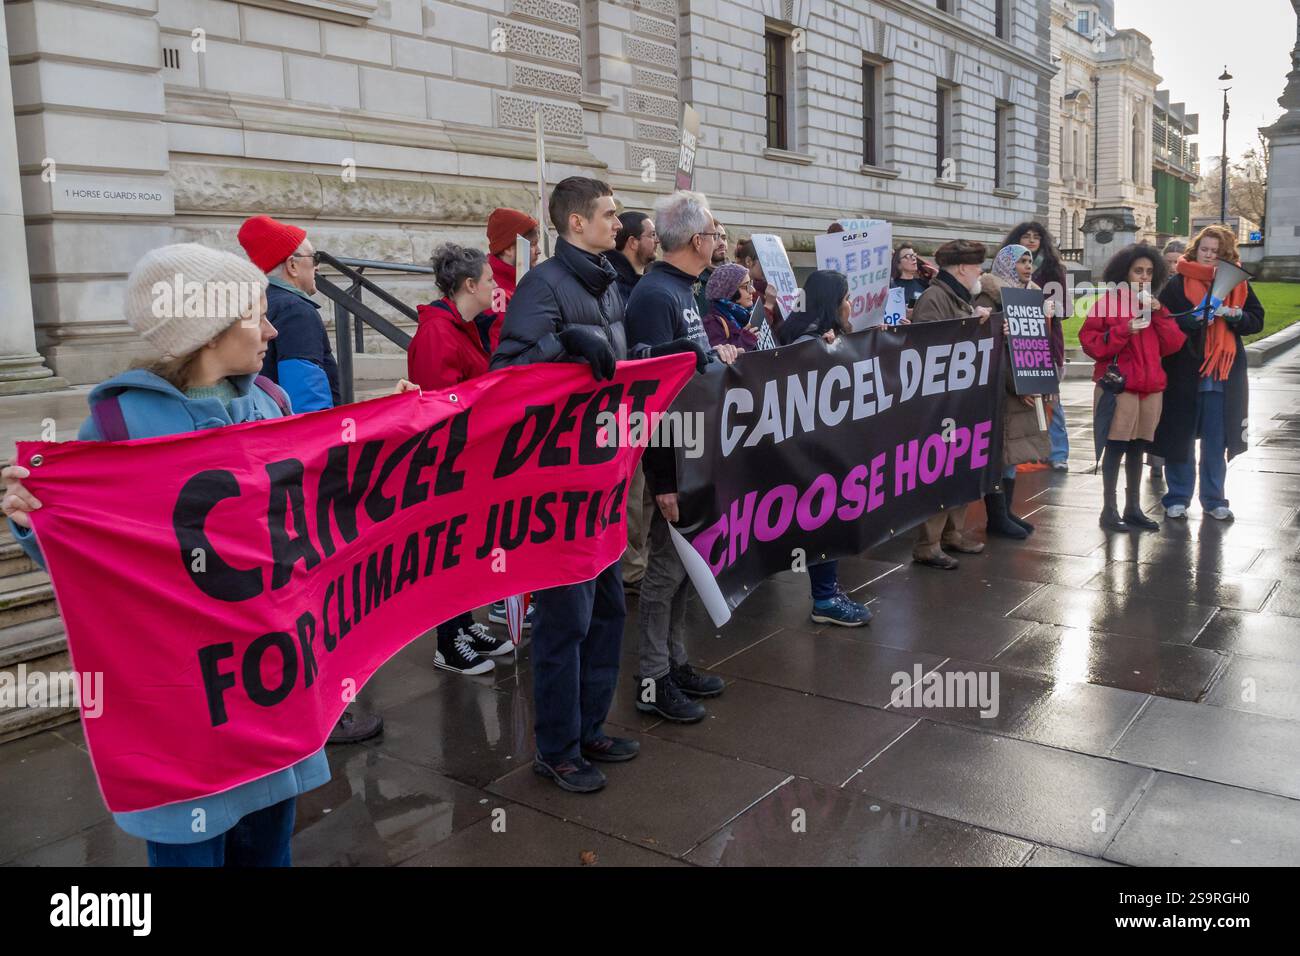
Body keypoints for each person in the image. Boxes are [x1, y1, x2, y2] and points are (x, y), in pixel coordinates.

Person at [2, 244, 330, 866]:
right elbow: (90, 561)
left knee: (269, 848)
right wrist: (37, 522)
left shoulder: (271, 401)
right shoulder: (118, 424)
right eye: (253, 315)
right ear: (208, 328)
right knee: (191, 850)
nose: (271, 328)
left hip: (269, 679)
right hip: (184, 699)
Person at [490, 176, 638, 793]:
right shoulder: (542, 286)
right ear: (576, 223)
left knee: (607, 611)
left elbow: (617, 366)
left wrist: (668, 352)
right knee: (565, 620)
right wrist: (560, 342)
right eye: (607, 214)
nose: (617, 222)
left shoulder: (606, 285)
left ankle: (588, 728)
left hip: (602, 476)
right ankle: (556, 747)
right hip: (556, 485)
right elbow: (505, 375)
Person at [237, 214, 384, 745]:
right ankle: (325, 708)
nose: (316, 266)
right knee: (313, 588)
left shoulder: (264, 307)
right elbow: (309, 399)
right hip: (301, 471)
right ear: (289, 264)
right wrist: (331, 467)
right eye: (312, 257)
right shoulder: (296, 310)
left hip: (266, 467)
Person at [625, 190, 739, 722]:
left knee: (686, 567)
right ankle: (652, 679)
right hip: (673, 458)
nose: (720, 239)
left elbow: (688, 369)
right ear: (698, 240)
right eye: (716, 232)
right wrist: (665, 480)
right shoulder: (655, 296)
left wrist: (716, 358)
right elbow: (652, 396)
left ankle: (675, 661)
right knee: (663, 573)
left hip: (693, 453)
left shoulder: (681, 290)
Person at [407, 243, 515, 672]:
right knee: (448, 554)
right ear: (470, 285)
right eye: (489, 280)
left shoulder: (465, 326)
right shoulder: (438, 333)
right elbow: (439, 411)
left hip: (473, 461)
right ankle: (447, 643)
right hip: (449, 467)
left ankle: (464, 624)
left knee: (466, 551)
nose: (495, 286)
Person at [774, 270, 875, 626]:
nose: (850, 305)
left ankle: (828, 591)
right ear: (832, 303)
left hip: (810, 447)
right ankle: (825, 599)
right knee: (824, 517)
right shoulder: (810, 340)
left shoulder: (807, 331)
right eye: (846, 298)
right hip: (814, 450)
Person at [1154, 225, 1265, 521]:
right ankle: (1177, 496)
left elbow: (1257, 320)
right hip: (1184, 375)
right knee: (1181, 438)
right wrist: (1190, 321)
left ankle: (1214, 499)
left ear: (1225, 254)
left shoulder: (1237, 284)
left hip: (1222, 377)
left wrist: (1237, 315)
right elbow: (1163, 324)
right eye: (1204, 249)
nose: (1208, 255)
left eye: (1216, 252)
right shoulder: (1177, 283)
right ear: (1195, 249)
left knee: (1217, 442)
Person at [1079, 244, 1185, 531]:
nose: (1143, 277)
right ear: (1125, 272)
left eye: (1149, 272)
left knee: (1138, 447)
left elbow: (1174, 344)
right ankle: (1109, 509)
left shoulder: (1155, 304)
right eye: (1138, 271)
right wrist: (1123, 330)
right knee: (1115, 447)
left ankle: (1133, 507)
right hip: (1120, 386)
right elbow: (1090, 342)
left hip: (1149, 387)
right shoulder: (1109, 303)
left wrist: (1160, 313)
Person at [910, 239, 992, 569]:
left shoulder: (955, 295)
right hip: (940, 405)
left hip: (960, 400)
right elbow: (928, 348)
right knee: (940, 473)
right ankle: (927, 543)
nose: (980, 273)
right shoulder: (936, 297)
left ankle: (952, 534)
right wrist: (972, 323)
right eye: (976, 267)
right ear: (960, 268)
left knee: (961, 468)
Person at [974, 244, 1056, 539]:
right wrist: (1018, 383)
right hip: (1002, 387)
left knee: (1012, 452)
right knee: (1000, 452)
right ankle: (996, 517)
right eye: (1021, 261)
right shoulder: (990, 298)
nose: (1027, 265)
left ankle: (1005, 511)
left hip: (1020, 385)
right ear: (1006, 264)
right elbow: (997, 349)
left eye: (1030, 260)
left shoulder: (1028, 297)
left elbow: (1033, 344)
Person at [607, 212, 659, 596]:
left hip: (646, 402)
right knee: (630, 494)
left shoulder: (640, 282)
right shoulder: (616, 284)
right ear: (632, 242)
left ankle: (637, 561)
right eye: (650, 235)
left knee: (644, 492)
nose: (655, 240)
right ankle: (630, 569)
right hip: (624, 406)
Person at [1004, 222, 1069, 471]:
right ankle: (1029, 453)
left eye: (1036, 237)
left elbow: (1064, 310)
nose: (1031, 241)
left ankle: (1059, 452)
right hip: (1018, 344)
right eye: (1026, 236)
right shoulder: (1006, 269)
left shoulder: (1053, 269)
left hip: (1046, 341)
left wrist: (1049, 308)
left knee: (1052, 401)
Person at [1148, 239, 1188, 480]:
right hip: (1158, 356)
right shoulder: (1154, 287)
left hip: (1182, 356)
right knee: (1156, 413)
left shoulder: (1187, 286)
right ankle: (1155, 460)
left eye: (1178, 261)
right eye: (1169, 262)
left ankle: (1165, 457)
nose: (1173, 266)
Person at [480, 208, 542, 354]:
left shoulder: (525, 280)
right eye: (532, 245)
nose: (538, 250)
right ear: (508, 249)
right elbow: (500, 348)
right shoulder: (495, 291)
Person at [702, 262, 759, 351]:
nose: (753, 290)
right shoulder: (712, 324)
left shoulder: (746, 313)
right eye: (746, 286)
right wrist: (746, 340)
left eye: (751, 284)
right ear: (729, 291)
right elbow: (719, 360)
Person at [607, 211, 657, 306]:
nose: (657, 241)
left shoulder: (653, 281)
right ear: (633, 242)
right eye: (652, 235)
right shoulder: (612, 284)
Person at [693, 218, 729, 317]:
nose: (722, 243)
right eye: (715, 238)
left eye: (724, 238)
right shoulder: (693, 280)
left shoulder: (735, 278)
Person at [890, 243, 934, 319]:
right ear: (898, 264)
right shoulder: (892, 286)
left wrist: (935, 276)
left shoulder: (924, 284)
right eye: (908, 256)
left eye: (914, 255)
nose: (913, 259)